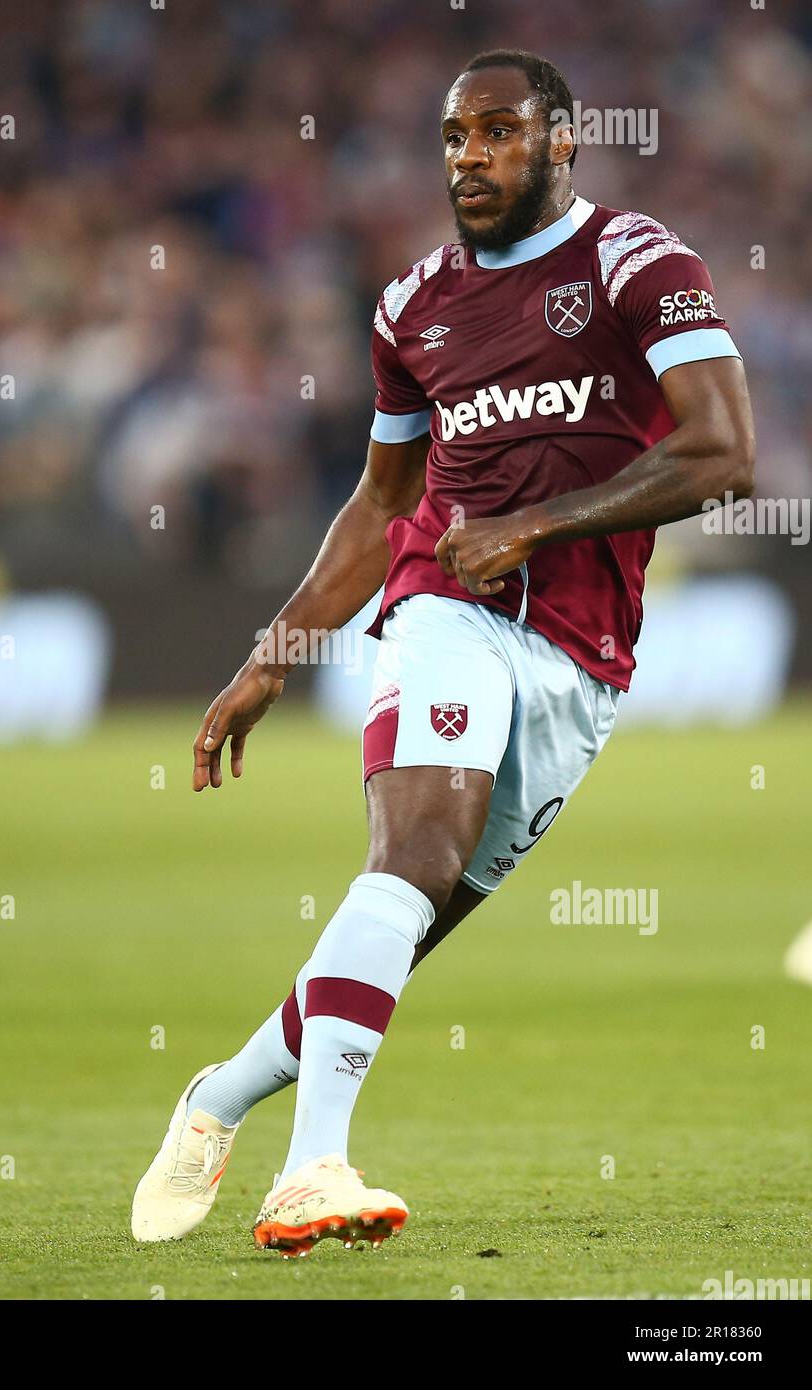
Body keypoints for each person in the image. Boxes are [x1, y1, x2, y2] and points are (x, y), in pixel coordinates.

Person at [132, 49, 754, 1257]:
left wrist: (535, 523)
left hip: (582, 658)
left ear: (562, 140)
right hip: (443, 609)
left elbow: (724, 454)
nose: (470, 157)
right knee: (408, 859)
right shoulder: (411, 306)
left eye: (499, 132)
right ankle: (311, 1169)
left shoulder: (636, 265)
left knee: (397, 926)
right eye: (455, 136)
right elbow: (382, 502)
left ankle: (218, 1094)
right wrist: (276, 652)